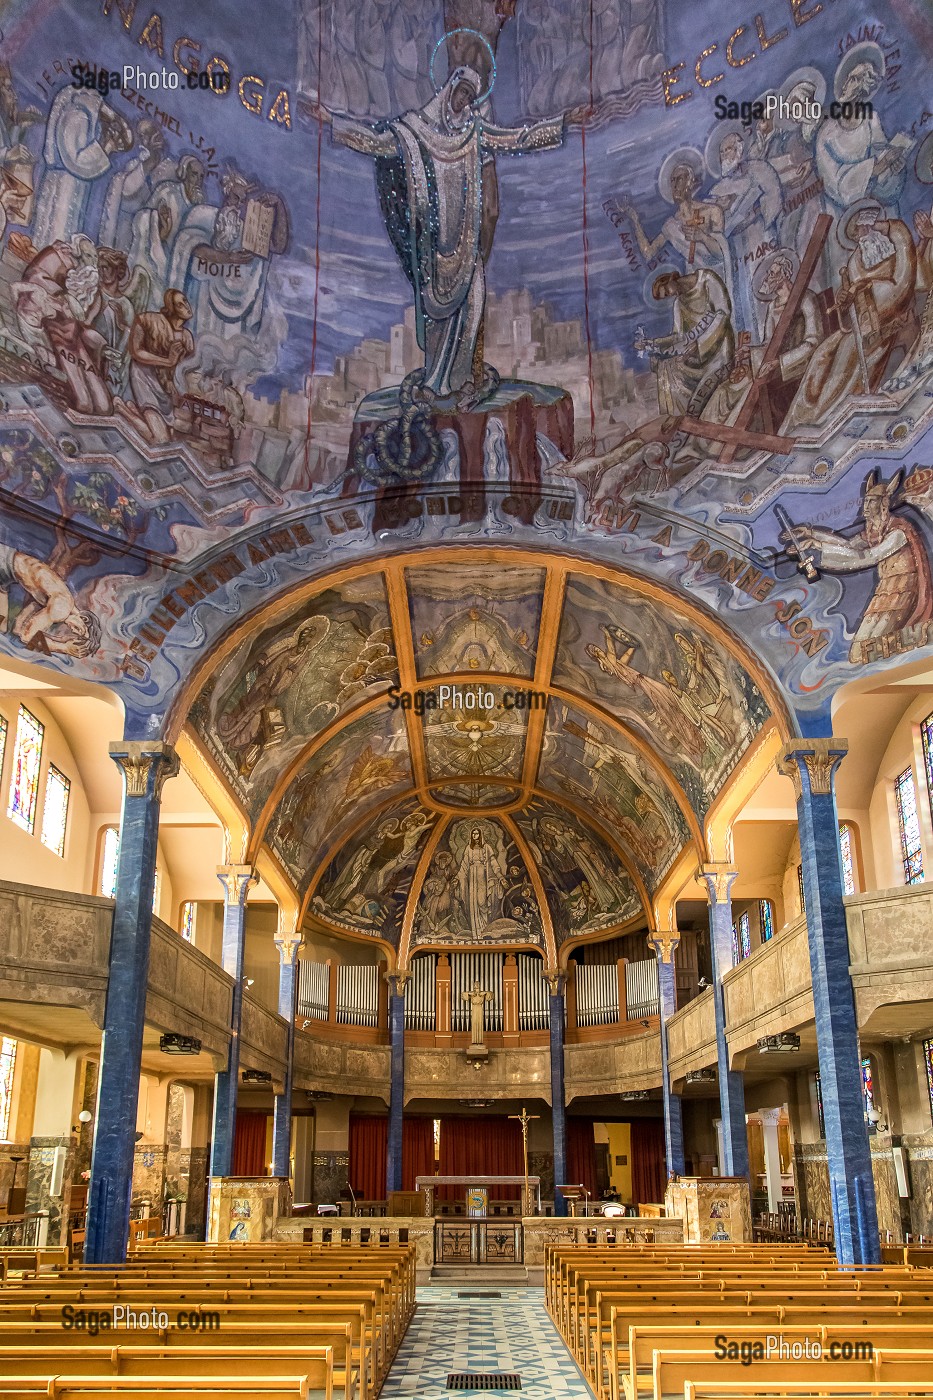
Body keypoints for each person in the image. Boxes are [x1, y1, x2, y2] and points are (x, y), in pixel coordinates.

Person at [309, 66, 579, 403]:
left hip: (466, 246)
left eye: (469, 96)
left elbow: (517, 139)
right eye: (460, 92)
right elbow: (376, 143)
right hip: (434, 248)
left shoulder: (473, 133)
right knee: (437, 318)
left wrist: (561, 125)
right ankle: (435, 384)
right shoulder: (415, 131)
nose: (463, 101)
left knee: (473, 306)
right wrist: (333, 122)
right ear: (448, 90)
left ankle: (465, 381)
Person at [783, 201, 915, 432]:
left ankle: (833, 410)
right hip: (862, 321)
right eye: (857, 230)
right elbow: (850, 301)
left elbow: (902, 283)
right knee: (823, 352)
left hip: (887, 315)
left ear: (876, 224)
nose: (861, 233)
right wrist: (846, 300)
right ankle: (806, 417)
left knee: (847, 351)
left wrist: (865, 290)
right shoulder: (856, 260)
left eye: (865, 226)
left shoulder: (896, 244)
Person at [781, 470, 933, 663]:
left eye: (872, 501)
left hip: (902, 590)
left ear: (884, 503)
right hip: (885, 590)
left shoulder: (899, 531)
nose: (866, 505)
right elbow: (849, 545)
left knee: (866, 651)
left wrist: (820, 553)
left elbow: (868, 556)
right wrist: (813, 536)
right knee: (859, 651)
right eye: (866, 500)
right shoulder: (872, 530)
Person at [32, 85, 132, 247]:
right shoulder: (78, 115)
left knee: (64, 237)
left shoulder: (90, 118)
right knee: (55, 234)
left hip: (73, 187)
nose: (111, 131)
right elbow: (77, 162)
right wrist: (107, 147)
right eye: (114, 128)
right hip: (63, 185)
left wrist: (107, 145)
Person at [636, 268, 734, 421]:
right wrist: (652, 343)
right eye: (666, 296)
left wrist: (700, 344)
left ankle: (685, 413)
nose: (671, 295)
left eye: (667, 292)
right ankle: (676, 415)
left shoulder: (707, 280)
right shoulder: (678, 304)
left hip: (717, 347)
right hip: (697, 354)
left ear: (669, 280)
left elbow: (723, 313)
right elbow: (678, 337)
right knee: (665, 366)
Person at [116, 289, 195, 444]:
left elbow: (182, 368)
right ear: (171, 309)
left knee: (170, 438)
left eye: (185, 301)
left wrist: (174, 381)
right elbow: (136, 351)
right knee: (161, 440)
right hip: (145, 377)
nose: (187, 306)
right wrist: (167, 361)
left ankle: (130, 410)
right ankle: (123, 410)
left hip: (166, 388)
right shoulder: (149, 320)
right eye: (180, 304)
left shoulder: (187, 337)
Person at [0, 544, 99, 656]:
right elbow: (27, 637)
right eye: (79, 630)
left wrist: (60, 639)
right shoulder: (63, 607)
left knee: (1, 629)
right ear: (84, 618)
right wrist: (64, 648)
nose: (74, 631)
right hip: (4, 561)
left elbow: (18, 628)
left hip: (7, 573)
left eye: (77, 635)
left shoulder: (62, 600)